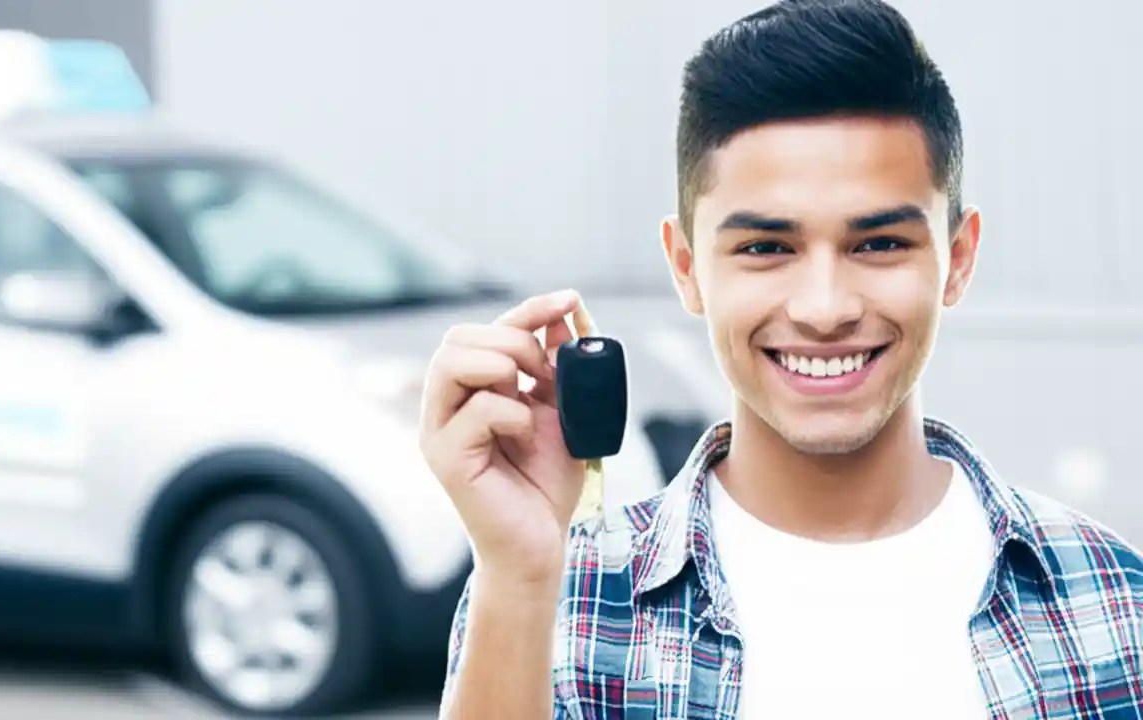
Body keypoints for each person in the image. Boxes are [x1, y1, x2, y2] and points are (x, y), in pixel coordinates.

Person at [418, 0, 1143, 717]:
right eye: (766, 248)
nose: (824, 308)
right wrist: (516, 578)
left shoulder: (1113, 600)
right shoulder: (565, 603)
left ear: (956, 259)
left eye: (880, 243)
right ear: (686, 267)